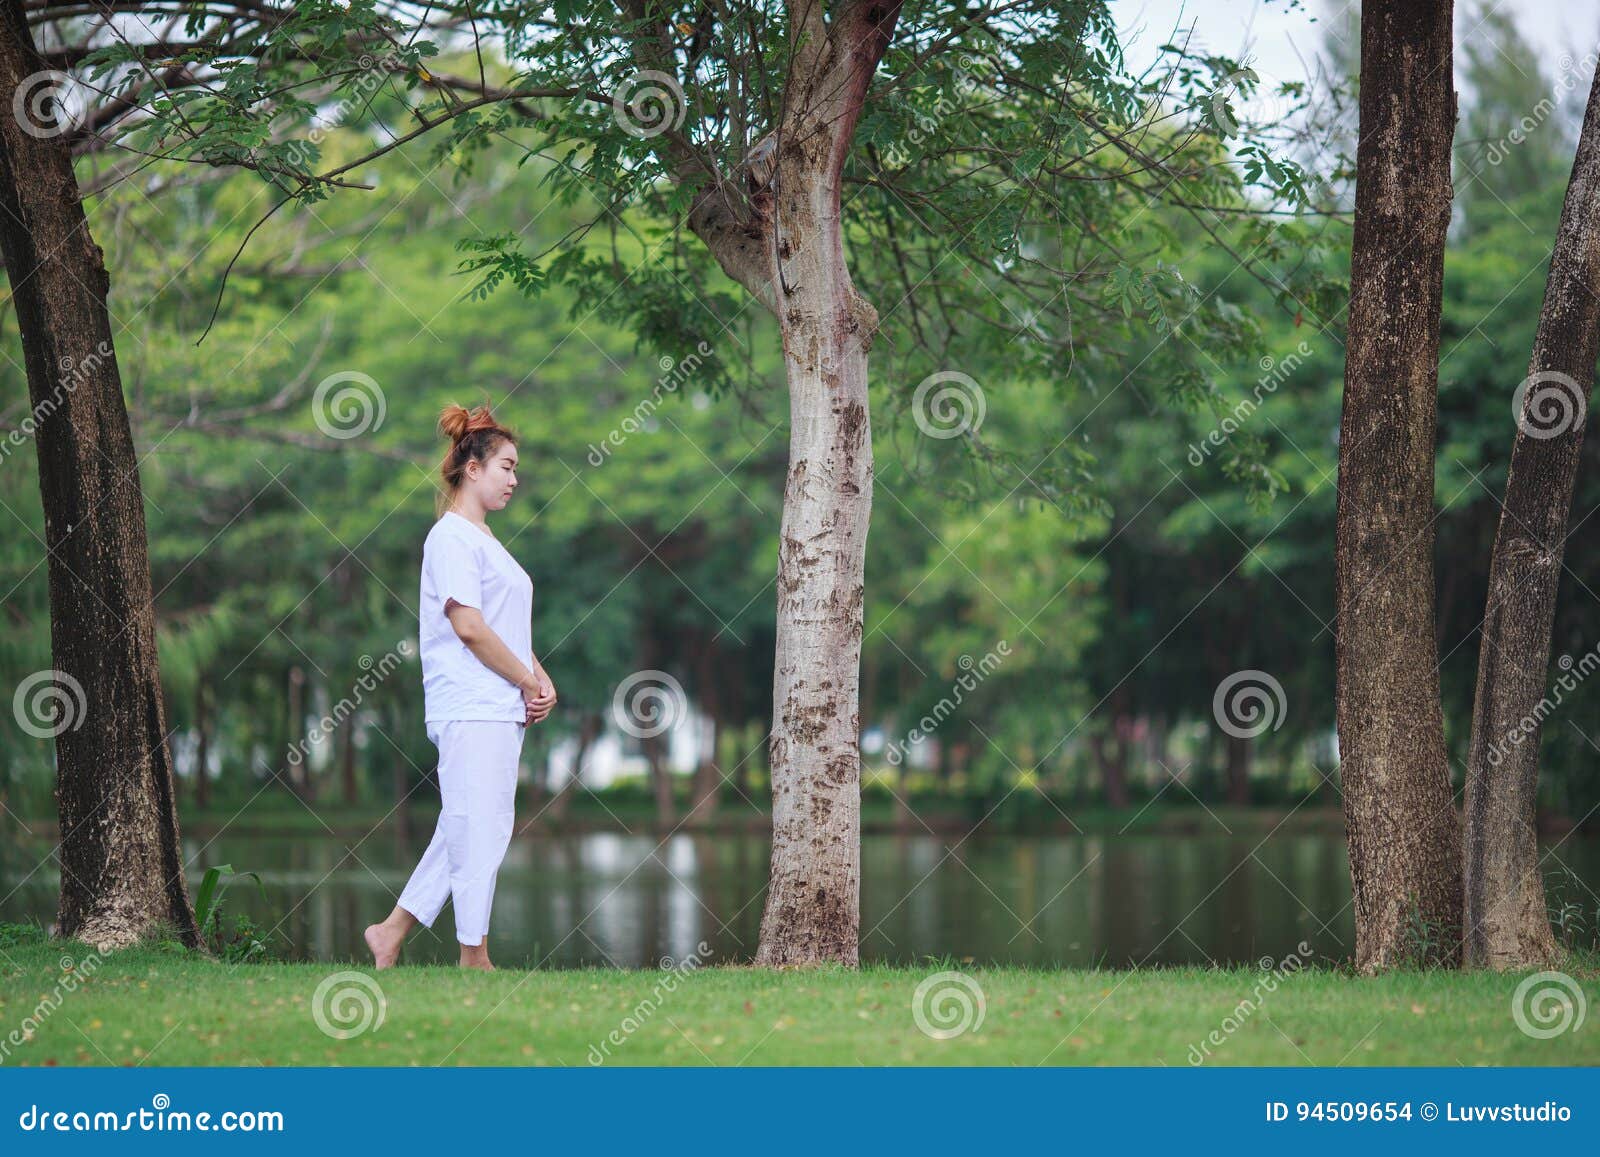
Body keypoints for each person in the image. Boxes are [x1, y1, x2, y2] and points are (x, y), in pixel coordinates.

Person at [364, 401, 557, 971]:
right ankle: (474, 954)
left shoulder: (486, 540)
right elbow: (467, 626)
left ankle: (391, 931)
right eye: (507, 466)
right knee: (480, 827)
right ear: (472, 469)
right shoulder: (450, 538)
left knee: (469, 824)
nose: (515, 480)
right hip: (471, 703)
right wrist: (525, 680)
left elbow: (501, 625)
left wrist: (539, 679)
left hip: (499, 705)